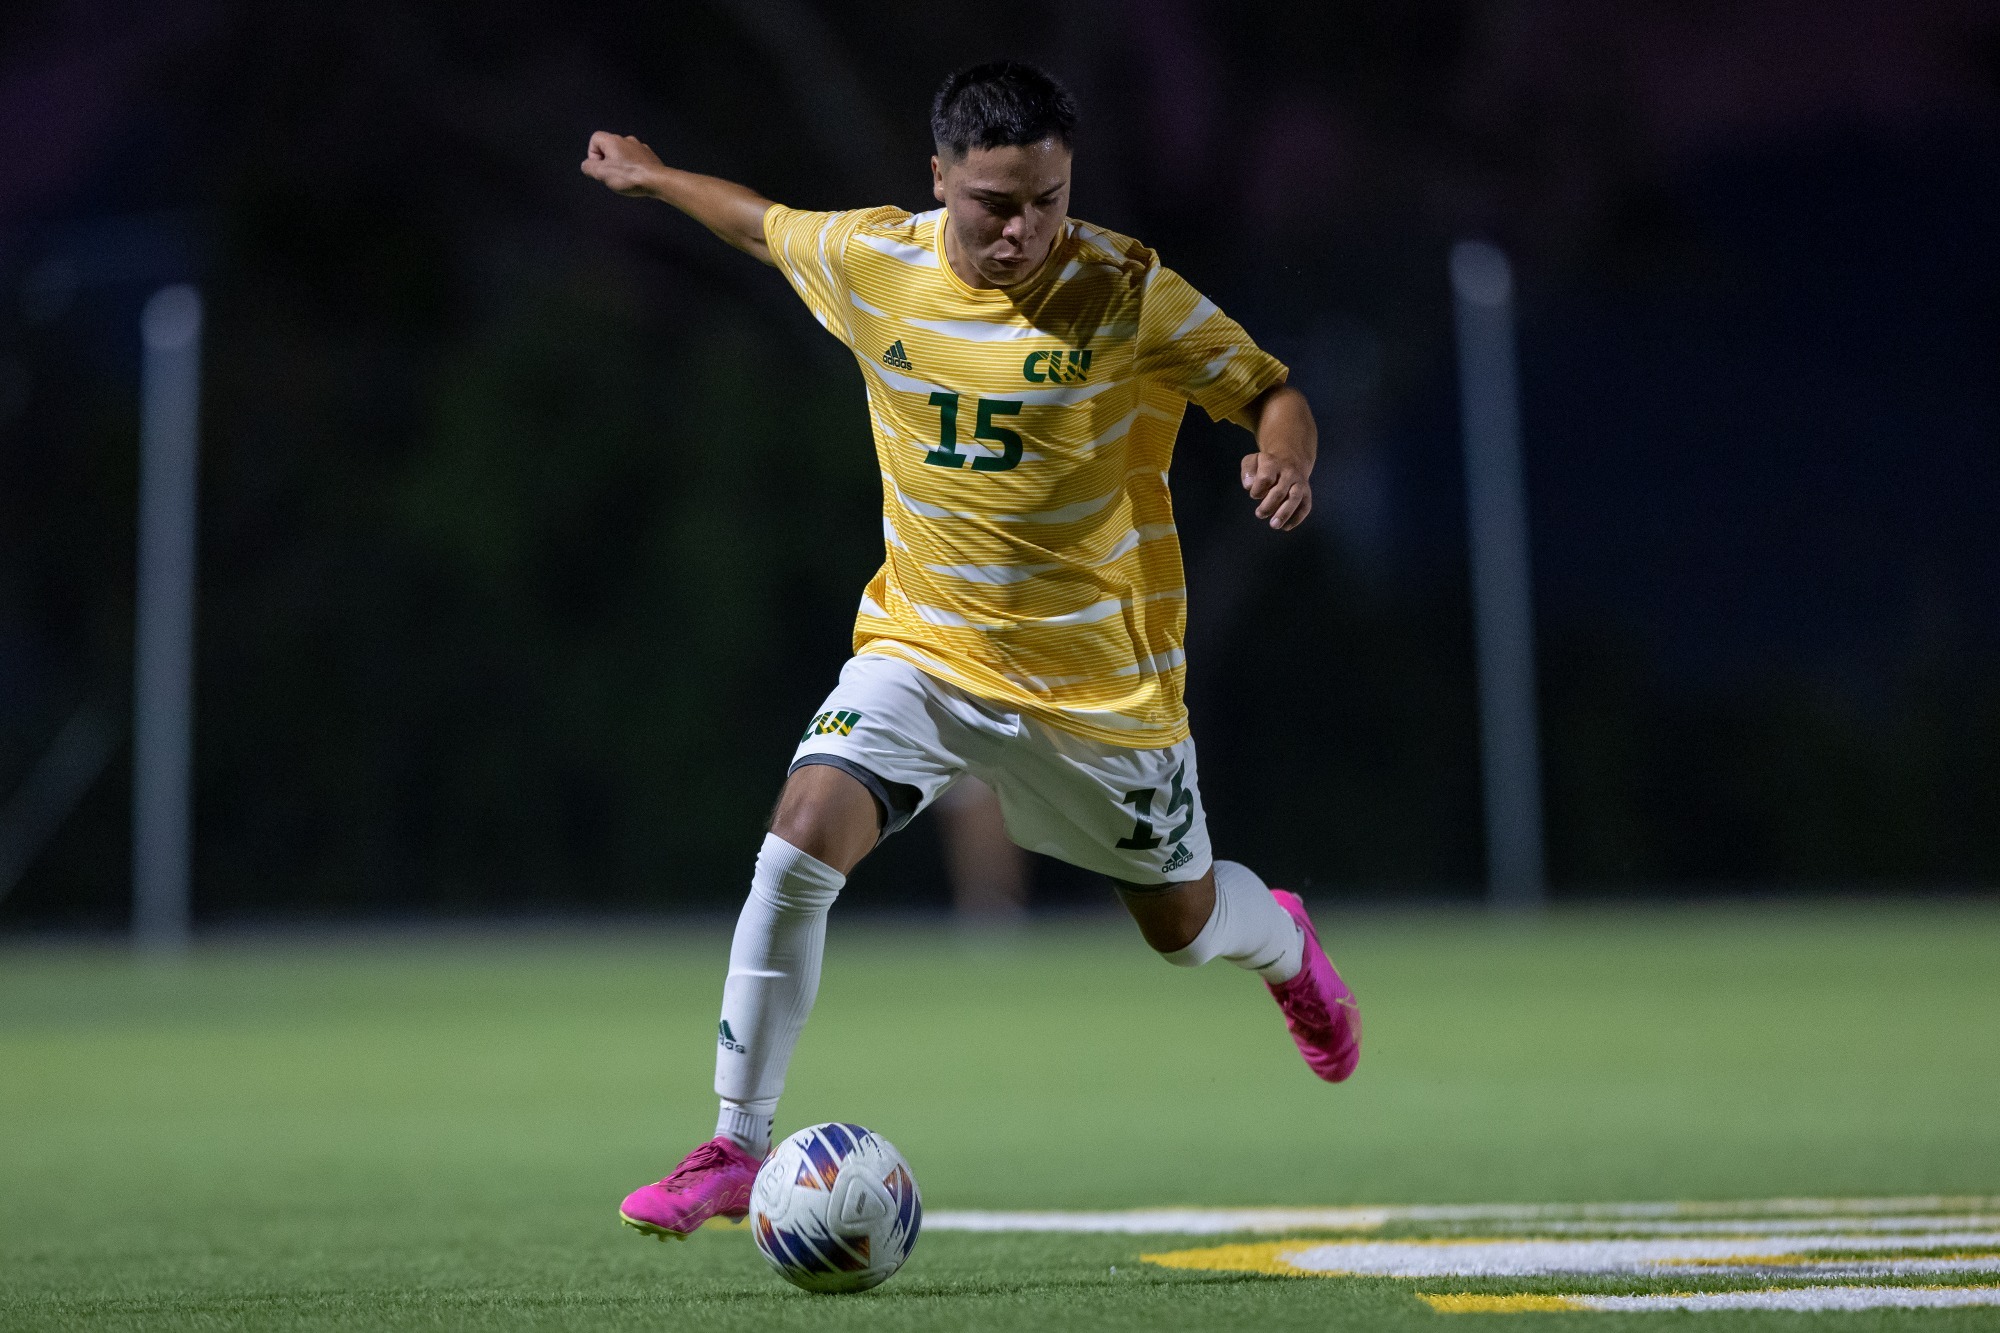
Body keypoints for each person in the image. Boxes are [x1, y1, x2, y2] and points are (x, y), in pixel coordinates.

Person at [582, 59, 1361, 1241]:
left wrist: (1285, 457)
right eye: (994, 201)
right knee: (799, 835)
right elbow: (757, 226)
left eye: (1046, 198)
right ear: (936, 178)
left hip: (1100, 684)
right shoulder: (871, 261)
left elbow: (1269, 390)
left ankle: (1283, 941)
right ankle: (736, 1142)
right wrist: (650, 178)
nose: (1022, 229)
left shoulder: (1126, 290)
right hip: (924, 649)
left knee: (1185, 928)